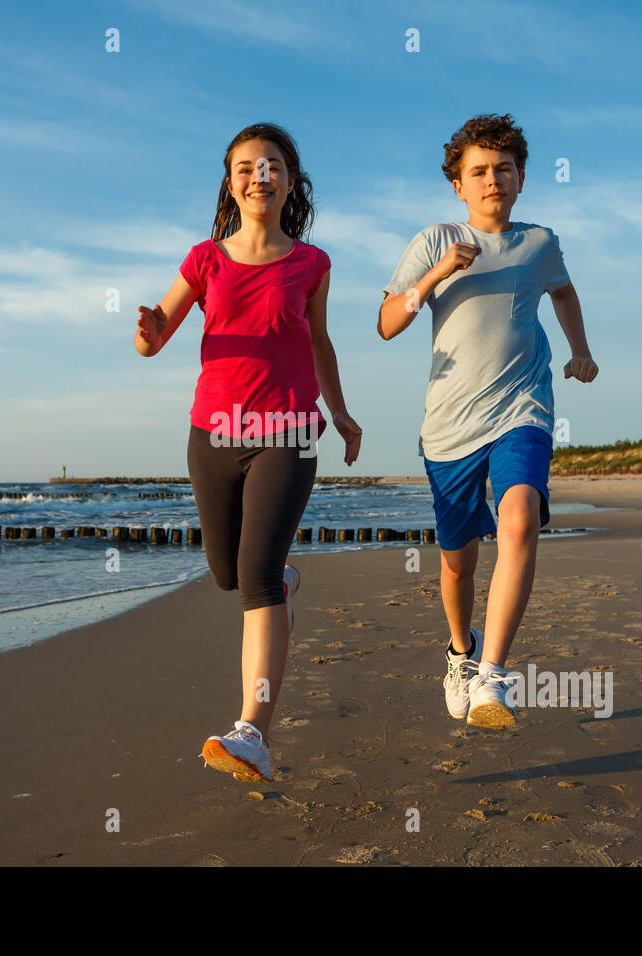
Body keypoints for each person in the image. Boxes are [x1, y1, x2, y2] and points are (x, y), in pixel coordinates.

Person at [134, 123, 361, 781]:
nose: (259, 175)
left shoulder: (311, 264)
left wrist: (338, 412)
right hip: (212, 436)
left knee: (255, 579)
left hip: (287, 434)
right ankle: (283, 585)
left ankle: (252, 733)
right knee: (228, 576)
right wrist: (149, 332)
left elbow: (319, 343)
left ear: (290, 182)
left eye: (272, 166)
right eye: (245, 167)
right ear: (230, 184)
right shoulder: (204, 259)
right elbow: (157, 338)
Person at [377, 113, 598, 728]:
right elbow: (388, 323)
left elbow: (564, 293)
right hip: (449, 426)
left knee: (521, 516)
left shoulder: (540, 242)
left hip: (522, 407)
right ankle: (460, 651)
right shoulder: (432, 240)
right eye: (479, 171)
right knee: (457, 562)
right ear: (459, 185)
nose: (492, 179)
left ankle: (493, 678)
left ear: (522, 177)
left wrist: (579, 348)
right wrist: (438, 272)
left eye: (504, 169)